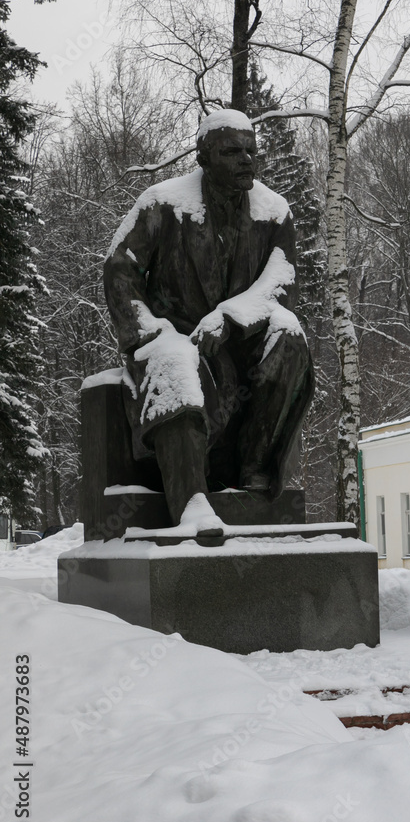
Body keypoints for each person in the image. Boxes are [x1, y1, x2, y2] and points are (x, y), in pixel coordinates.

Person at [103, 110, 313, 536]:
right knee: (176, 358)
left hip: (241, 344)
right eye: (232, 151)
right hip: (174, 338)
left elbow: (281, 283)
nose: (246, 160)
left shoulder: (274, 213)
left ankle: (253, 472)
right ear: (204, 156)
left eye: (251, 151)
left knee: (289, 334)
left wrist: (231, 319)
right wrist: (152, 332)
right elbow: (119, 271)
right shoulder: (162, 204)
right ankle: (192, 506)